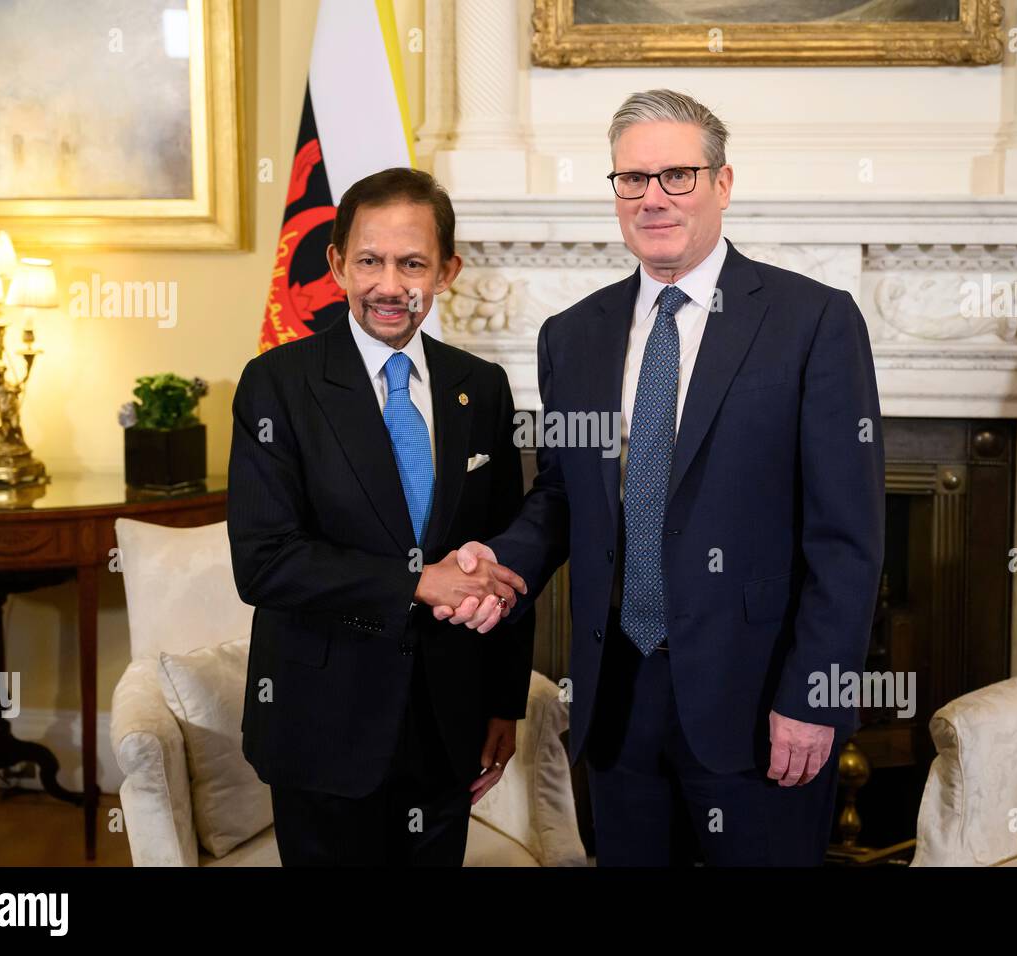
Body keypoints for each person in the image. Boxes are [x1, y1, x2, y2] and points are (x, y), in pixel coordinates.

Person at [437, 90, 885, 866]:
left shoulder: (812, 322)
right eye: (632, 179)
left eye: (677, 175)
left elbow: (848, 538)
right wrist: (501, 564)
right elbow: (563, 495)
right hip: (617, 702)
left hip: (759, 706)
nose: (653, 197)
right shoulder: (573, 335)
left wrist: (816, 696)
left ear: (723, 182)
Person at [228, 167, 532, 866]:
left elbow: (506, 554)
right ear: (336, 264)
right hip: (322, 724)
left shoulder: (480, 388)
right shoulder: (276, 385)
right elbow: (265, 562)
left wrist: (502, 704)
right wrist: (417, 582)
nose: (390, 285)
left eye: (412, 263)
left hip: (449, 722)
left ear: (448, 271)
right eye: (369, 260)